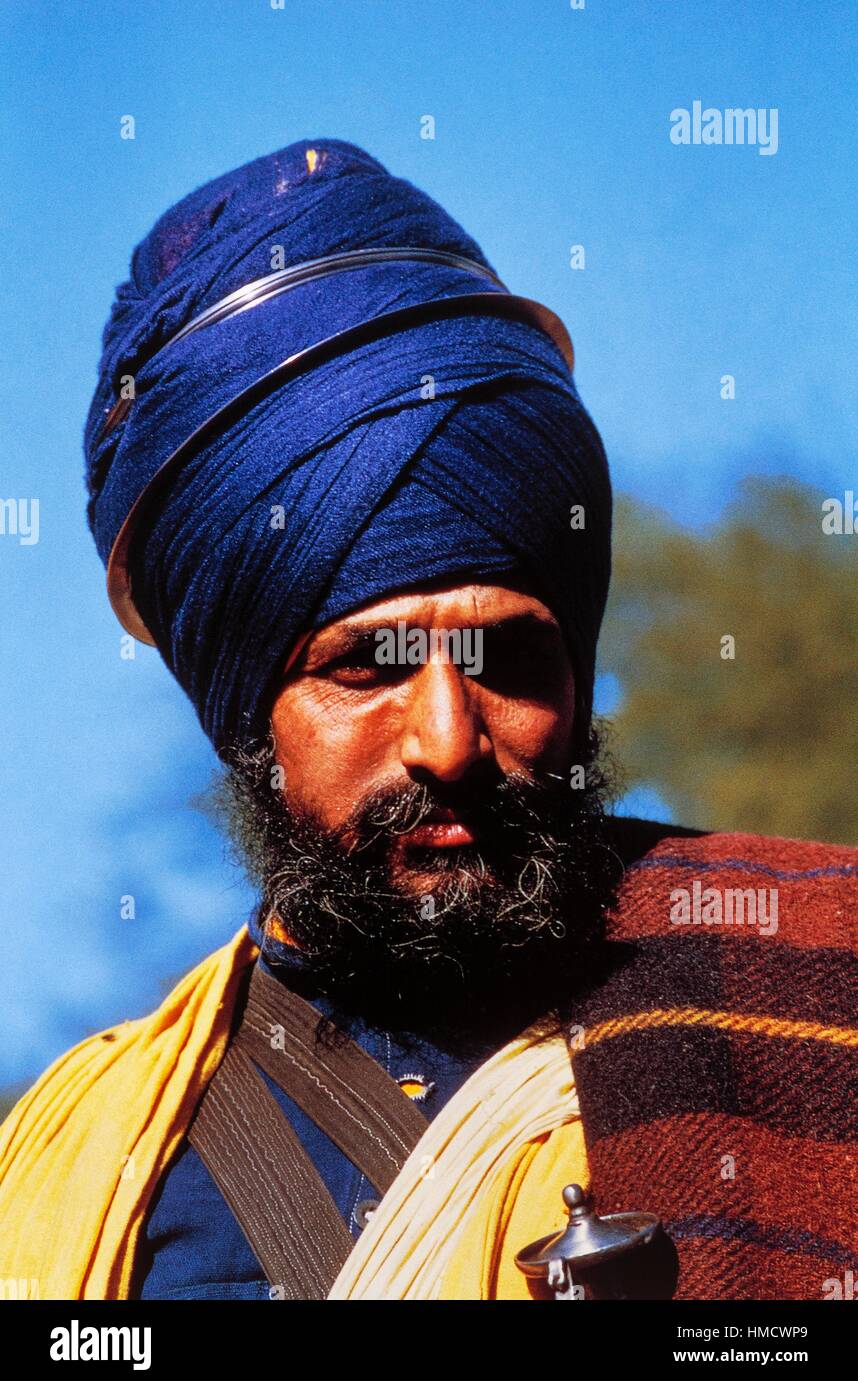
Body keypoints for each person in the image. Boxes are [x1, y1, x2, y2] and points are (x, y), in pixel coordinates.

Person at [1, 140, 855, 1302]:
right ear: (244, 710)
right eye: (366, 670)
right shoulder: (93, 1161)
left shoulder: (809, 984)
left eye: (507, 658)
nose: (449, 740)